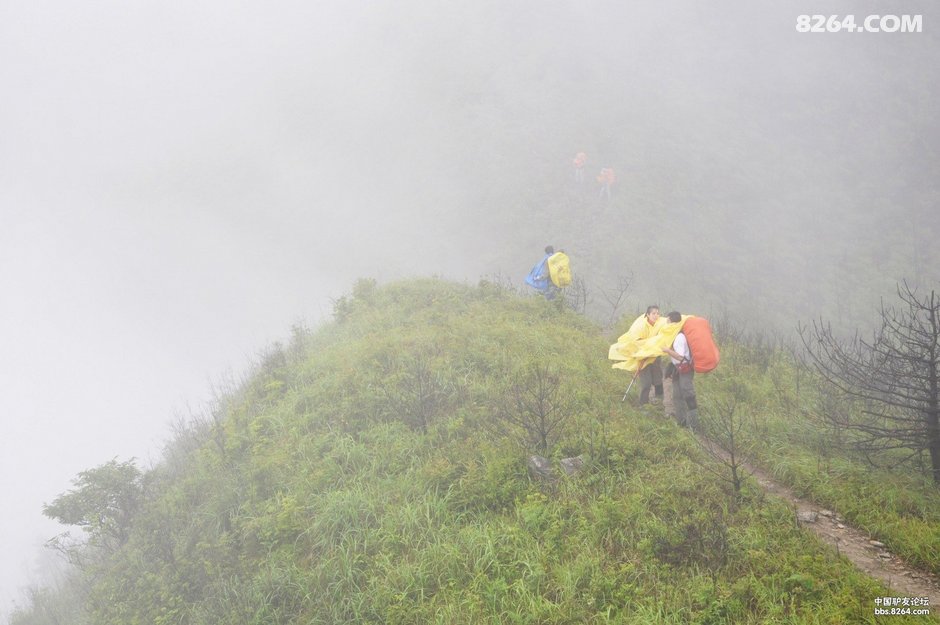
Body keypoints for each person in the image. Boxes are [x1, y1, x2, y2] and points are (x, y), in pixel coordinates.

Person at [662, 311, 698, 430]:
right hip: (678, 369)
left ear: (672, 322)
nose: (666, 323)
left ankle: (694, 425)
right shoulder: (675, 335)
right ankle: (681, 422)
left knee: (688, 394)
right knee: (677, 395)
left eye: (667, 321)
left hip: (685, 369)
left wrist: (667, 350)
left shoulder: (679, 337)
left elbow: (680, 356)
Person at [634, 306, 665, 406]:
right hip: (643, 358)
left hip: (655, 357)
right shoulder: (642, 326)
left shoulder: (660, 325)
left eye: (657, 313)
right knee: (646, 383)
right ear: (648, 314)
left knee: (658, 381)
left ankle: (659, 404)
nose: (656, 315)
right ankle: (643, 405)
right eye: (653, 313)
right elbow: (637, 341)